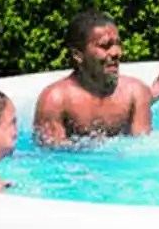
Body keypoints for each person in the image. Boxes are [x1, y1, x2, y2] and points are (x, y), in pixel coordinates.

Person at [34, 10, 152, 145]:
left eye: (118, 44)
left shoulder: (136, 93)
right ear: (78, 55)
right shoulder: (55, 101)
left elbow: (142, 150)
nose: (116, 53)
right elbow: (50, 158)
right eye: (105, 46)